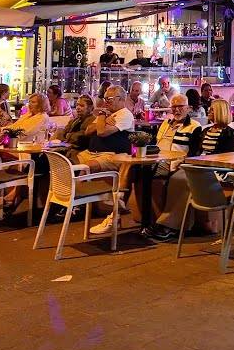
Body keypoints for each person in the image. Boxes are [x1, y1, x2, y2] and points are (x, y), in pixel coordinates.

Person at [140, 94, 205, 242]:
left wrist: (180, 163)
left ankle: (155, 223)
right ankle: (119, 204)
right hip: (156, 158)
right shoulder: (165, 123)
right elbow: (155, 143)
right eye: (174, 106)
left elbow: (194, 152)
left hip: (174, 162)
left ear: (187, 108)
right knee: (132, 167)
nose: (177, 110)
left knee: (145, 172)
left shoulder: (194, 127)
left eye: (180, 106)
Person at [85, 86, 136, 235]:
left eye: (109, 98)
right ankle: (81, 204)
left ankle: (76, 205)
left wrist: (101, 116)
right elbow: (88, 130)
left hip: (113, 156)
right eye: (105, 98)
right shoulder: (108, 113)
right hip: (93, 153)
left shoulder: (124, 114)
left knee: (86, 168)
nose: (106, 101)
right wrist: (105, 119)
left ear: (121, 99)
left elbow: (101, 132)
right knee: (67, 163)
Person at [57, 95, 97, 159]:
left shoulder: (93, 121)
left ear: (90, 108)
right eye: (77, 105)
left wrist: (68, 136)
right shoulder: (74, 120)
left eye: (81, 106)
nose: (78, 108)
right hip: (66, 150)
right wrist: (68, 136)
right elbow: (61, 134)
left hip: (80, 153)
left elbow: (80, 138)